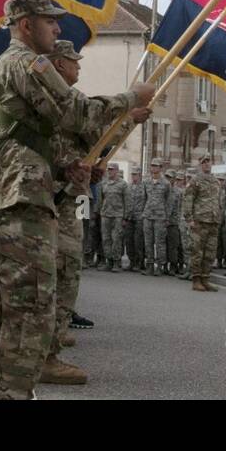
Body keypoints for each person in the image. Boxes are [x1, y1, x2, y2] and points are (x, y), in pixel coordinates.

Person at [0, 0, 152, 400]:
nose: (57, 29)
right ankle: (12, 391)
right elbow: (78, 114)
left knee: (22, 304)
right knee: (33, 304)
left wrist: (64, 168)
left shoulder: (15, 66)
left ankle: (11, 387)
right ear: (26, 25)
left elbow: (47, 132)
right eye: (50, 22)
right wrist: (131, 100)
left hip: (21, 195)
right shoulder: (27, 63)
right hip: (21, 200)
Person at [40, 39, 145, 384]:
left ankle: (52, 338)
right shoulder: (60, 101)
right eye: (73, 61)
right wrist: (129, 114)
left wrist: (91, 165)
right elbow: (90, 126)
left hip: (70, 196)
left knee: (67, 268)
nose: (79, 66)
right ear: (58, 64)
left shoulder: (63, 99)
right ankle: (46, 352)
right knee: (62, 270)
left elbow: (90, 141)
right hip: (56, 197)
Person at [182, 155, 222, 292]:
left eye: (208, 162)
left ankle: (205, 279)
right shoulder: (195, 181)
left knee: (210, 252)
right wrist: (189, 219)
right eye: (203, 162)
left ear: (212, 163)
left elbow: (219, 201)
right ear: (200, 164)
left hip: (213, 221)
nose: (206, 164)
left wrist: (219, 216)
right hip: (199, 221)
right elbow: (188, 200)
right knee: (197, 251)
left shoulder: (216, 181)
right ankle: (196, 279)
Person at [142, 161, 171, 275]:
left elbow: (168, 202)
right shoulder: (146, 182)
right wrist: (143, 213)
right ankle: (149, 266)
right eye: (152, 165)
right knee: (148, 242)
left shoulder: (166, 183)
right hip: (148, 216)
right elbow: (144, 198)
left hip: (160, 217)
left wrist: (167, 218)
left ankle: (160, 266)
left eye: (156, 166)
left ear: (160, 168)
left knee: (160, 243)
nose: (153, 168)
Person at [98, 162, 126, 271]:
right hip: (105, 215)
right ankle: (108, 261)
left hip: (117, 216)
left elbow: (127, 201)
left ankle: (116, 263)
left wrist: (125, 217)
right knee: (106, 239)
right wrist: (99, 212)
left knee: (116, 239)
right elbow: (101, 199)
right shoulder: (104, 183)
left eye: (112, 169)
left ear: (117, 171)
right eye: (108, 169)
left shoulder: (123, 184)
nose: (109, 171)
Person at [123, 169, 145, 272]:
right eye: (132, 174)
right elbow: (126, 202)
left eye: (135, 174)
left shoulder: (144, 186)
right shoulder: (128, 186)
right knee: (129, 240)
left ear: (140, 175)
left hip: (140, 217)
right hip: (129, 217)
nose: (133, 176)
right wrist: (125, 217)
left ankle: (139, 262)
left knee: (138, 241)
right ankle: (131, 261)